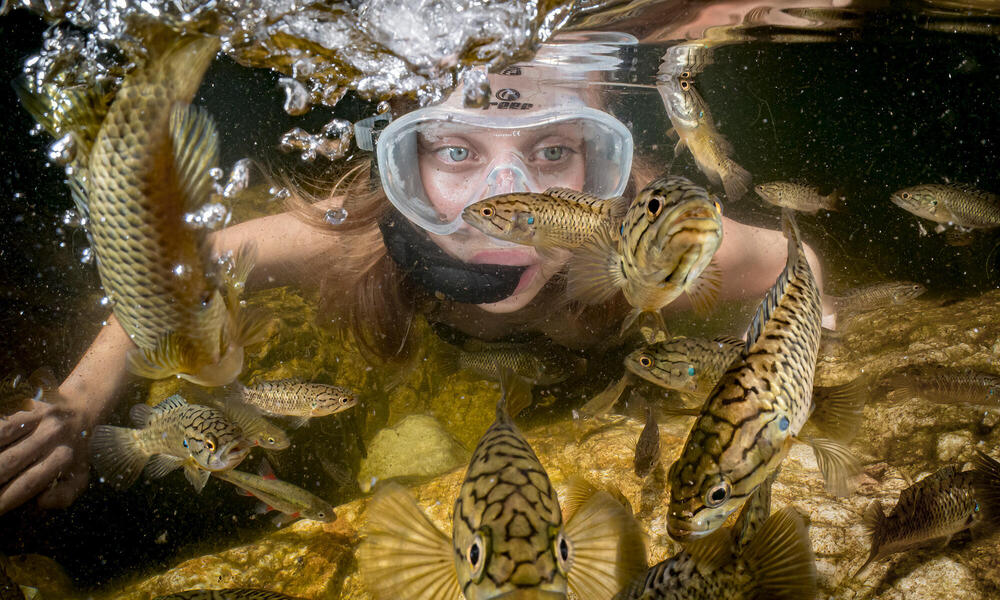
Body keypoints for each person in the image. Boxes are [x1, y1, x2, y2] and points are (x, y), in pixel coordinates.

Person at [0, 50, 831, 516]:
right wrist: (79, 403)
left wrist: (794, 355)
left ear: (599, 166)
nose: (501, 205)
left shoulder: (653, 254)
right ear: (402, 163)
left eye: (552, 153)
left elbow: (793, 270)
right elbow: (191, 261)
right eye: (457, 152)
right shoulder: (352, 247)